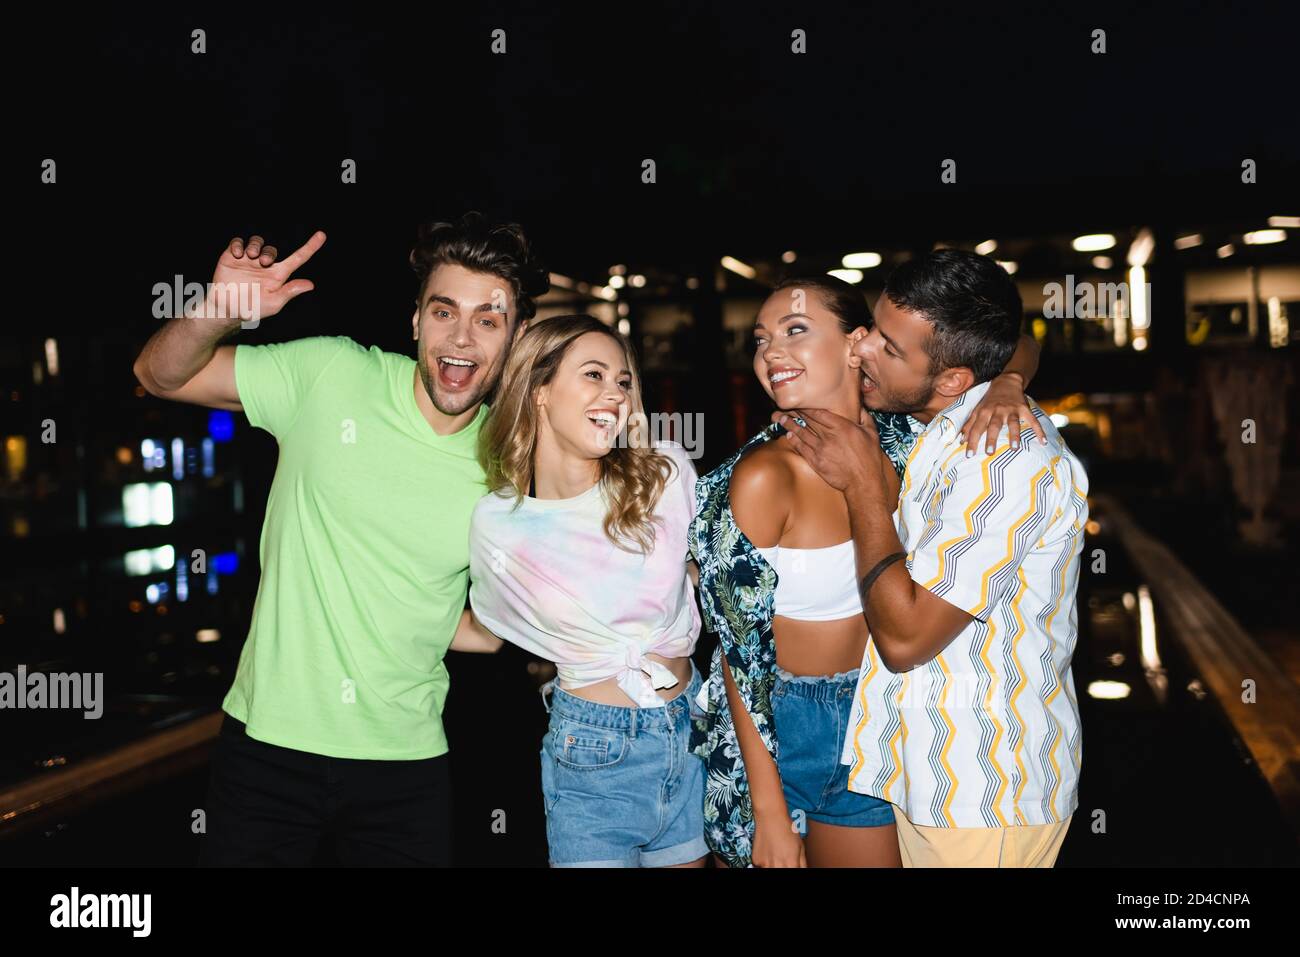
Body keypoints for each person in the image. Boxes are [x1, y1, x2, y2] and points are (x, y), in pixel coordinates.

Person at [133, 213, 548, 865]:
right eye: (444, 311)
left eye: (488, 318)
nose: (461, 337)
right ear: (416, 320)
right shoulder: (330, 373)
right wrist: (218, 310)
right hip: (267, 752)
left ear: (515, 335)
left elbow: (494, 624)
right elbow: (159, 375)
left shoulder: (510, 457)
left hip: (405, 769)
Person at [689, 273, 1042, 868]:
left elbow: (1015, 340)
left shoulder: (915, 440)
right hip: (777, 730)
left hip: (878, 722)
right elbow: (738, 655)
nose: (770, 351)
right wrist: (770, 815)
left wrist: (1004, 385)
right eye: (760, 338)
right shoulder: (757, 479)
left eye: (795, 330)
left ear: (859, 345)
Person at [777, 249, 1088, 867]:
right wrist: (1010, 377)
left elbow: (907, 637)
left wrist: (866, 486)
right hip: (931, 779)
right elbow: (1015, 343)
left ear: (951, 380)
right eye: (873, 329)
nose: (862, 349)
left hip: (985, 793)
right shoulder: (942, 422)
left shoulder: (1006, 459)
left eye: (889, 349)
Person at [465, 314, 709, 868]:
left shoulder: (665, 474)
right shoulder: (500, 522)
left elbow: (709, 577)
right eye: (593, 375)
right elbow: (489, 629)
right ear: (540, 391)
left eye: (624, 381)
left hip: (690, 730)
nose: (615, 395)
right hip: (593, 751)